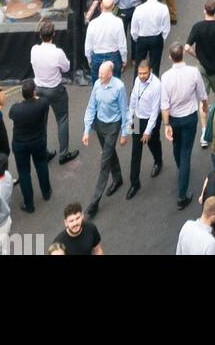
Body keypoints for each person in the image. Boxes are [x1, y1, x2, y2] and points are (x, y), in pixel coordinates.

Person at [160, 44, 208, 211]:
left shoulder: (165, 77)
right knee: (186, 152)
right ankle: (182, 195)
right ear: (183, 55)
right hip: (189, 117)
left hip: (173, 118)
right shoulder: (193, 72)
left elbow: (164, 104)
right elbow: (202, 94)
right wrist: (205, 105)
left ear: (170, 57)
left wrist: (166, 124)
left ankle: (182, 171)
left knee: (176, 146)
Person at [82, 60, 129, 217]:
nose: (100, 76)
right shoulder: (97, 84)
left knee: (104, 163)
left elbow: (125, 111)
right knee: (109, 153)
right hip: (100, 125)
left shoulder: (119, 87)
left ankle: (94, 203)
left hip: (113, 127)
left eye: (103, 73)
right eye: (99, 73)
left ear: (111, 73)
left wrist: (125, 133)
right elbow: (91, 107)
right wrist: (86, 131)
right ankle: (118, 178)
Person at [30, 20, 76, 164]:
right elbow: (67, 68)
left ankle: (43, 152)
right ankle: (63, 154)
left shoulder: (34, 49)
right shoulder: (58, 53)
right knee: (62, 119)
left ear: (40, 35)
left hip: (38, 89)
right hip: (55, 89)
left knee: (41, 122)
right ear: (54, 34)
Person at [8, 79, 53, 213]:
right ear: (34, 92)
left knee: (24, 173)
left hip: (20, 144)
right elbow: (43, 101)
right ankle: (46, 192)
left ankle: (29, 204)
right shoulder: (42, 104)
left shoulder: (15, 109)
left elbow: (10, 115)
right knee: (41, 166)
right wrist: (36, 97)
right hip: (37, 141)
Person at [126, 56, 164, 199]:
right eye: (140, 73)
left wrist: (148, 132)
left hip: (150, 120)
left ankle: (158, 160)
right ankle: (135, 183)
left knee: (153, 143)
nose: (141, 76)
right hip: (137, 118)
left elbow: (155, 112)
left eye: (144, 73)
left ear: (150, 71)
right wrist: (130, 119)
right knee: (136, 151)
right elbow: (133, 100)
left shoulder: (156, 85)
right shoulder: (137, 80)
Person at [185, 1, 215, 115]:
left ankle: (204, 128)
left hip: (202, 68)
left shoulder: (197, 27)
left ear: (204, 10)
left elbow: (186, 48)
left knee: (203, 98)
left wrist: (198, 57)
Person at [131, 0, 171, 80]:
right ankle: (155, 88)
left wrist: (136, 38)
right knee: (155, 66)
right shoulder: (163, 8)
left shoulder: (139, 9)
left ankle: (136, 88)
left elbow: (134, 29)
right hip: (156, 38)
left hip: (142, 39)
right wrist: (162, 38)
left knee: (139, 66)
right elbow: (166, 27)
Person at [85, 0, 128, 78]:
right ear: (113, 7)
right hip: (114, 56)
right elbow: (122, 44)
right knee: (115, 85)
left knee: (97, 86)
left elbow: (88, 45)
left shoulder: (93, 23)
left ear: (101, 5)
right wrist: (124, 59)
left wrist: (89, 59)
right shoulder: (118, 22)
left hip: (97, 57)